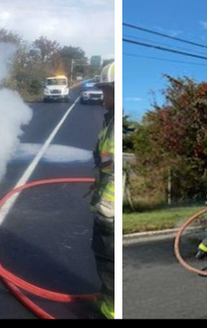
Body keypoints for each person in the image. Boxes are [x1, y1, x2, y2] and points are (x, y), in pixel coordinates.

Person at [91, 63, 117, 319]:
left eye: (106, 91)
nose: (102, 98)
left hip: (110, 215)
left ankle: (109, 312)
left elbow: (113, 165)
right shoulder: (111, 121)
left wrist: (107, 202)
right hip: (108, 209)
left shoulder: (114, 124)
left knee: (109, 267)